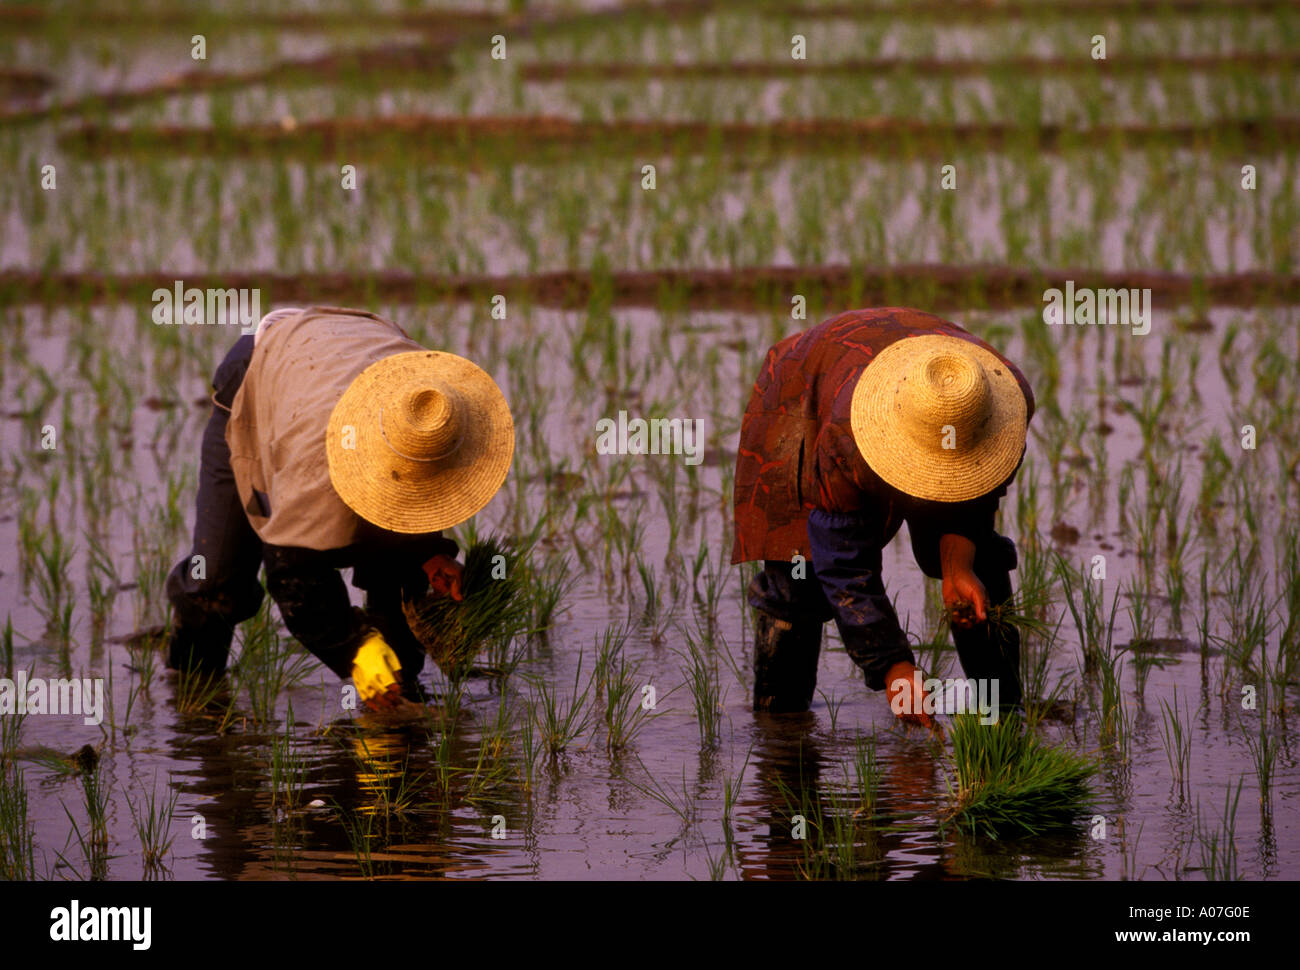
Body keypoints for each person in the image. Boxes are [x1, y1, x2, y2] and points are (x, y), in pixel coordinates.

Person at [164, 306, 515, 711]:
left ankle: (394, 700)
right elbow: (292, 572)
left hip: (354, 353)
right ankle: (190, 692)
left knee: (396, 584)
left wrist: (426, 554)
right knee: (219, 584)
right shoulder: (315, 463)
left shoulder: (435, 413)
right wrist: (353, 646)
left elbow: (412, 502)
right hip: (263, 372)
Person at [731, 307, 1035, 729]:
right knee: (799, 576)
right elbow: (841, 559)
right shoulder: (845, 435)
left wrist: (957, 566)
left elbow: (977, 499)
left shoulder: (1000, 402)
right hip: (808, 390)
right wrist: (893, 667)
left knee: (978, 567)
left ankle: (1004, 714)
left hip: (925, 390)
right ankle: (782, 731)